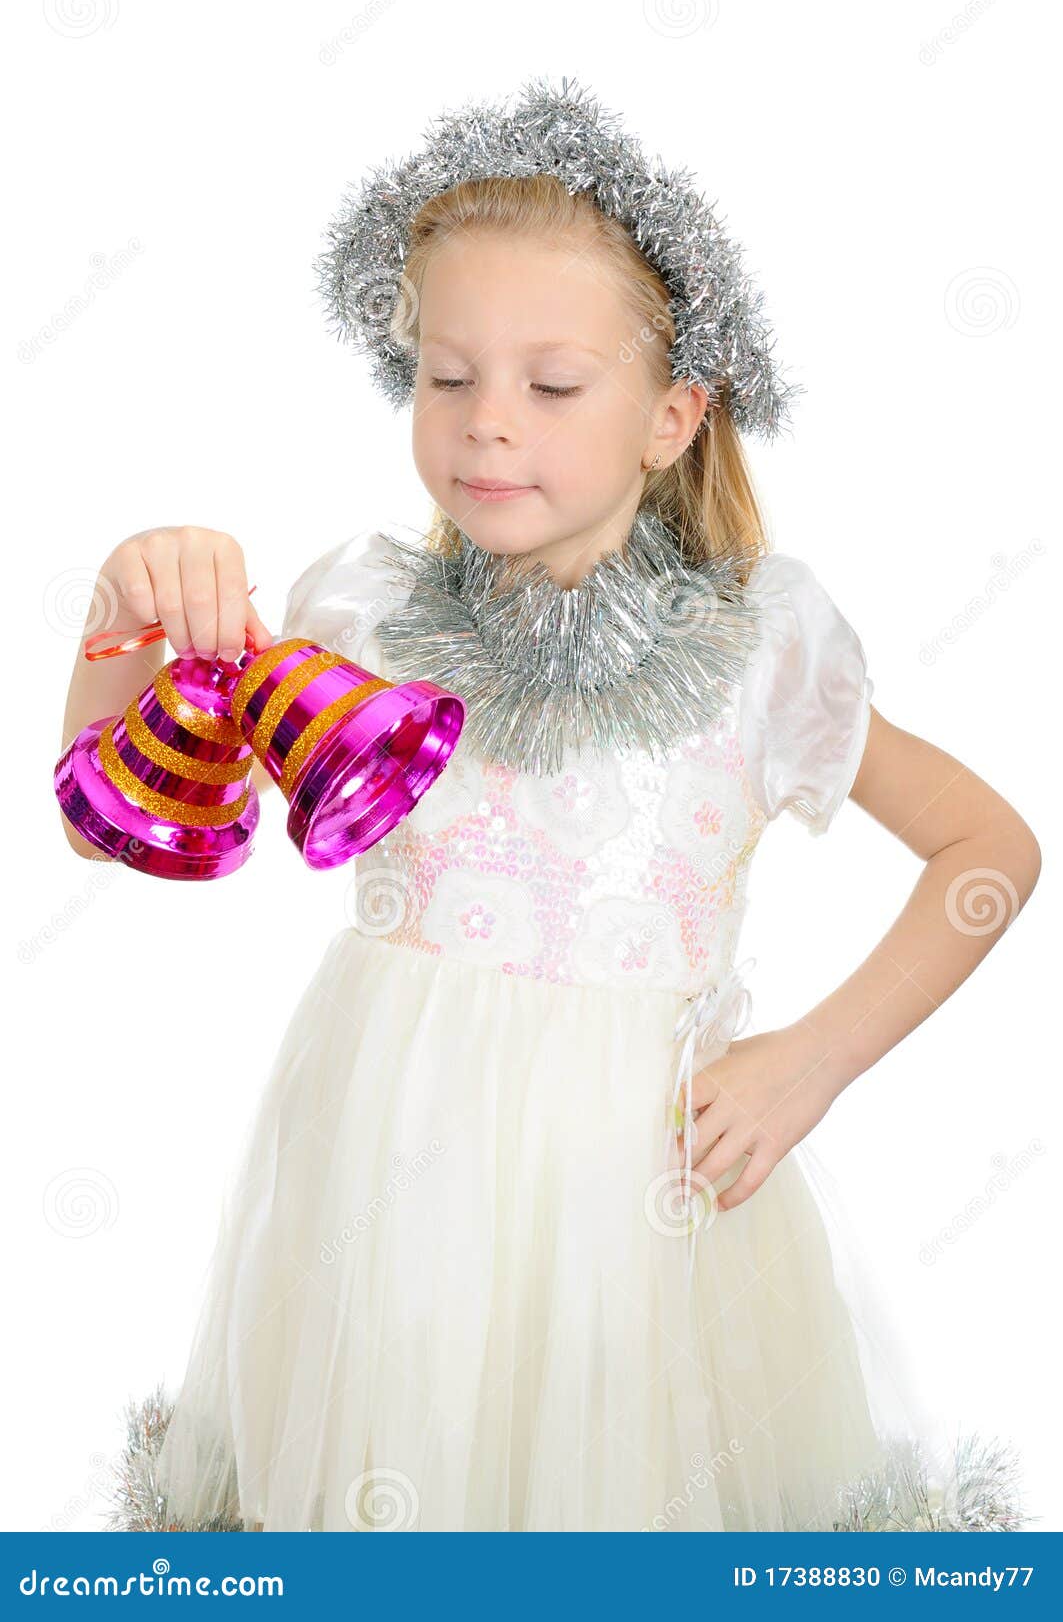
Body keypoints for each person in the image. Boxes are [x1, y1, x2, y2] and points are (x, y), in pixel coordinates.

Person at [64, 78, 1040, 1532]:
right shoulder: (360, 618)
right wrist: (119, 610)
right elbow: (118, 813)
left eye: (552, 384)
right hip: (385, 1211)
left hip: (641, 1227)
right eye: (446, 377)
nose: (485, 427)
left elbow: (991, 847)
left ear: (671, 414)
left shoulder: (763, 646)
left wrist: (812, 1060)